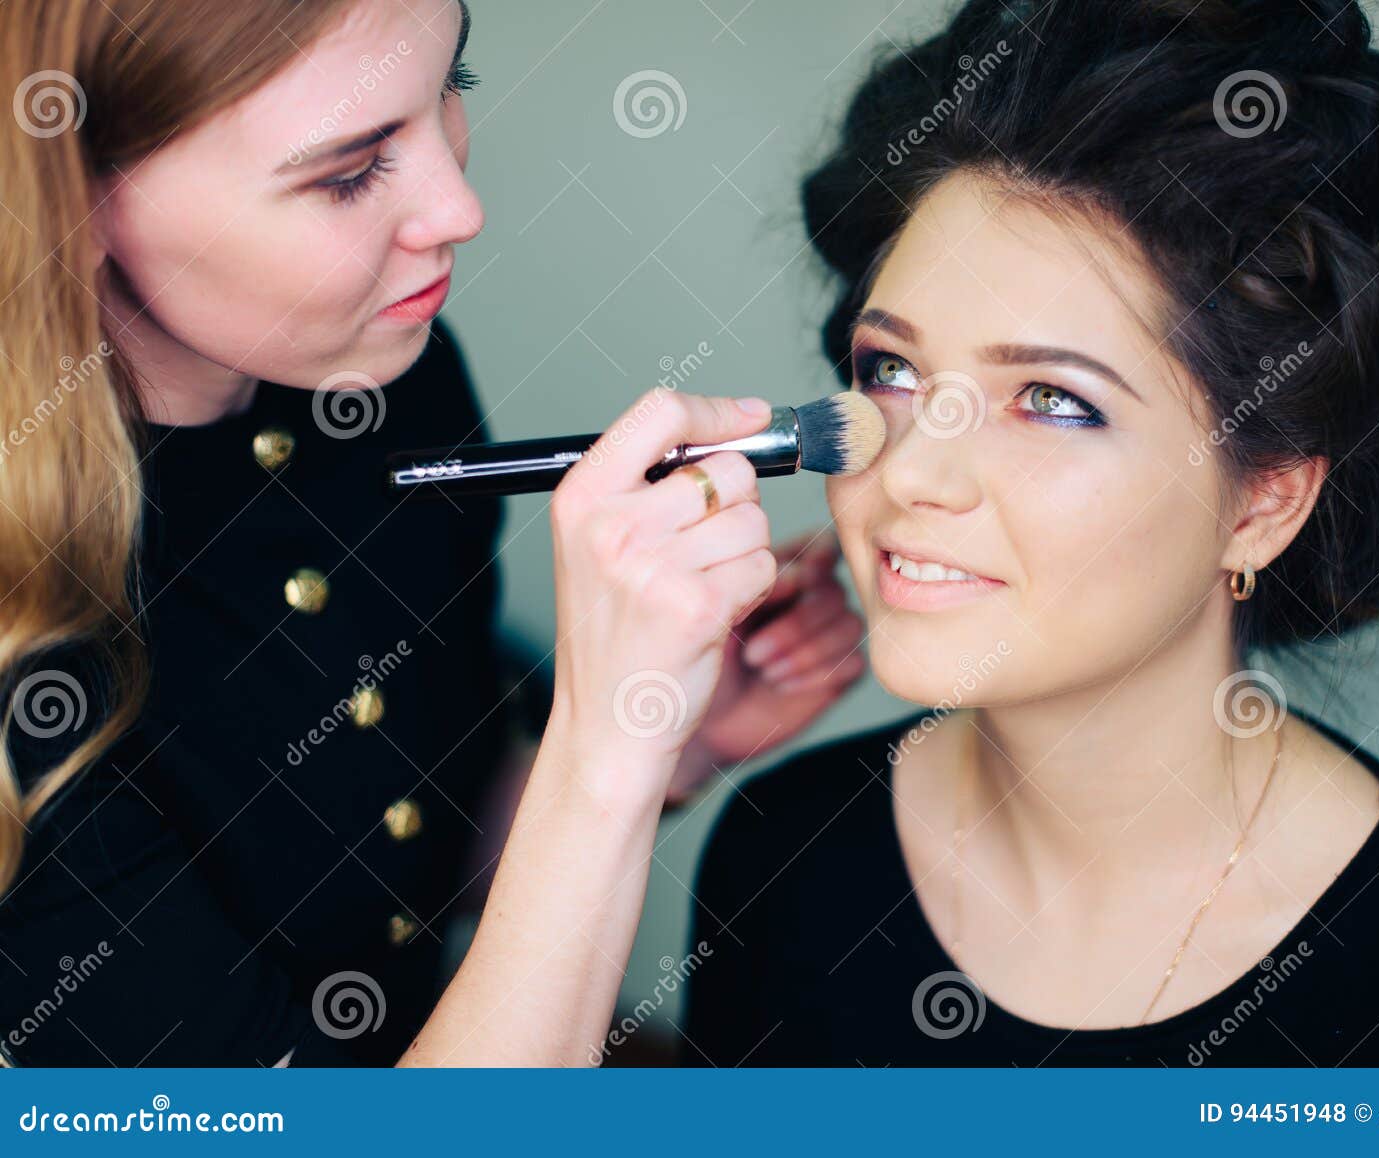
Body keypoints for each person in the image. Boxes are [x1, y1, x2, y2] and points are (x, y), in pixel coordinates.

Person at [684, 0, 1379, 1066]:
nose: (911, 471)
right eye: (891, 369)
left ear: (1263, 503)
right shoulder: (784, 850)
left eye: (1052, 401)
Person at [0, 0, 864, 1066]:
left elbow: (402, 875)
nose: (461, 207)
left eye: (454, 85)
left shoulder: (389, 392)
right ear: (70, 203)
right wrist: (603, 753)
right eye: (348, 173)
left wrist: (678, 731)